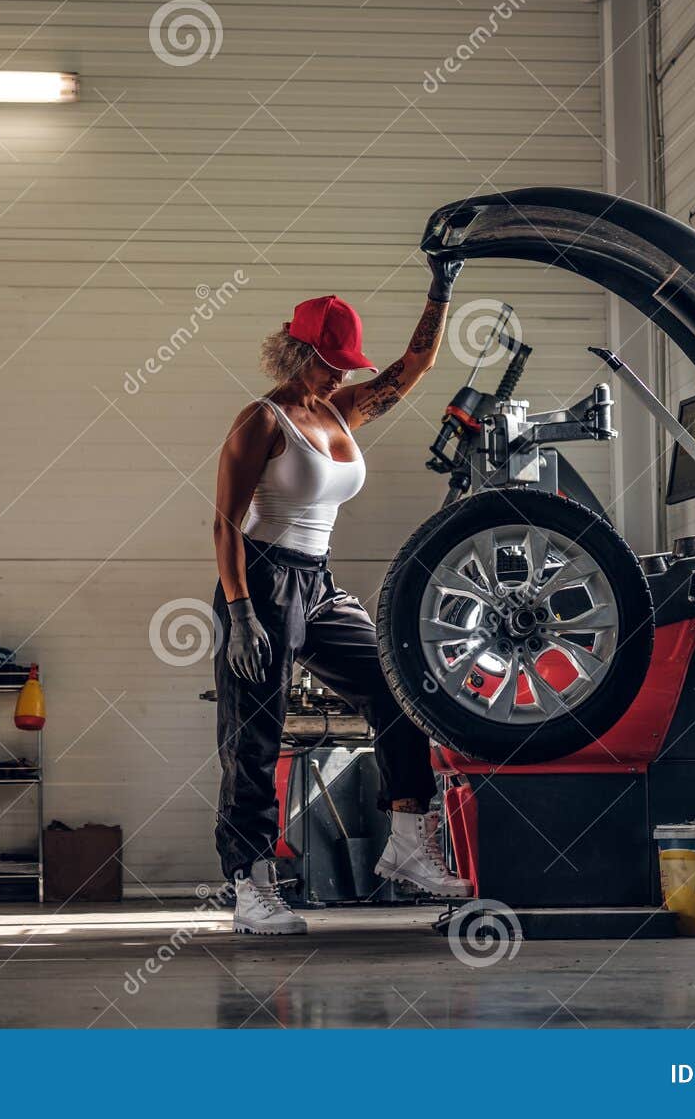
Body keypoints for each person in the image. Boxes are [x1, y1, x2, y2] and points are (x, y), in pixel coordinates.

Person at [211, 260, 473, 934]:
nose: (344, 374)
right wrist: (240, 612)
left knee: (399, 683)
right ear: (297, 352)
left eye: (346, 362)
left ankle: (408, 845)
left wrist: (441, 289)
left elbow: (412, 366)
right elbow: (224, 523)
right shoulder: (261, 421)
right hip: (261, 582)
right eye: (330, 362)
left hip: (319, 584)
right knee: (254, 741)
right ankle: (250, 884)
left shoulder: (344, 409)